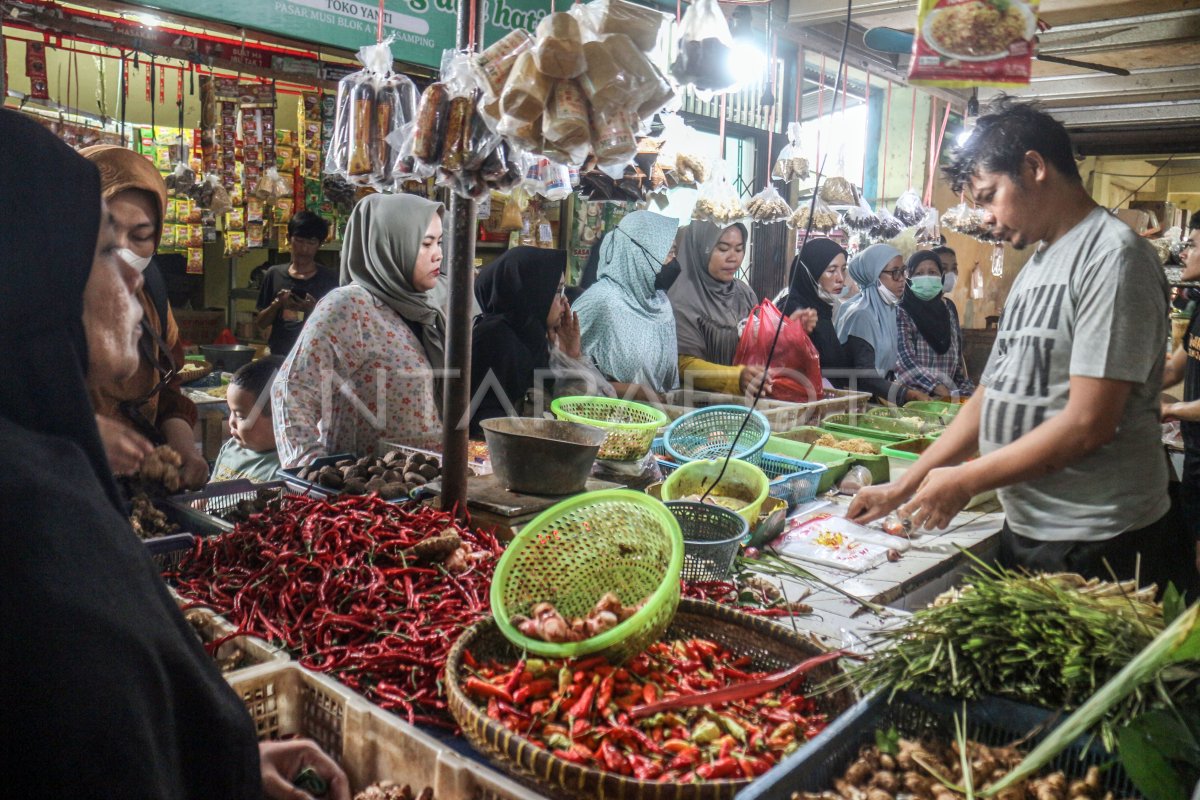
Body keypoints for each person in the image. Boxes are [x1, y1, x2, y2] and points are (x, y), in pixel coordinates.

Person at [0, 109, 348, 798]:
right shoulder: (37, 535)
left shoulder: (46, 491)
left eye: (141, 242)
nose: (134, 275)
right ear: (35, 274)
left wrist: (226, 764)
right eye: (102, 247)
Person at [849, 97, 1181, 591]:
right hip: (1031, 528)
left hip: (1101, 540)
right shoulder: (1038, 267)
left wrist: (968, 479)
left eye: (988, 197)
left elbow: (1089, 423)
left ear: (1034, 167)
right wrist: (902, 486)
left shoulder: (1113, 258)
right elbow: (989, 398)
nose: (985, 217)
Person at [273, 194, 444, 466]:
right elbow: (293, 390)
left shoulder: (425, 309)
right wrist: (312, 471)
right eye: (426, 244)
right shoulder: (351, 306)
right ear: (388, 245)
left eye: (439, 242)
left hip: (423, 483)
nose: (438, 254)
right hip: (365, 486)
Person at [80, 144, 207, 488]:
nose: (123, 252)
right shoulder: (38, 305)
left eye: (140, 236)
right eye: (105, 235)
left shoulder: (151, 297)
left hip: (137, 492)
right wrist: (83, 434)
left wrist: (183, 447)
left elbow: (167, 389)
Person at [469, 247, 611, 433]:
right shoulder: (495, 339)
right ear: (532, 291)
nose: (565, 302)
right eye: (557, 291)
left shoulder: (535, 340)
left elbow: (583, 412)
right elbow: (488, 425)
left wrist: (570, 357)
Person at [574, 210, 681, 400]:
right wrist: (632, 391)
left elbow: (668, 383)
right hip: (603, 414)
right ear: (638, 253)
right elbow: (562, 366)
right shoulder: (602, 299)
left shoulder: (661, 303)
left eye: (674, 251)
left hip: (654, 414)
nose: (673, 261)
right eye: (667, 252)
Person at [669, 221, 769, 396]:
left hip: (744, 402)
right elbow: (683, 364)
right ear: (701, 249)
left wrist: (788, 330)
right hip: (697, 404)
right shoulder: (682, 298)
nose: (733, 258)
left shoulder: (745, 293)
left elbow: (763, 339)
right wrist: (735, 377)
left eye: (739, 249)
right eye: (723, 249)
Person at [834, 243, 931, 405]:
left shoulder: (888, 310)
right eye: (894, 272)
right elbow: (865, 376)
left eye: (903, 271)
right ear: (874, 275)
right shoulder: (862, 315)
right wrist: (907, 394)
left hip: (874, 397)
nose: (902, 279)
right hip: (855, 404)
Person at [1162, 211, 1200, 579]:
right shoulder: (1199, 306)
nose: (1184, 253)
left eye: (1193, 245)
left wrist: (1167, 411)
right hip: (1195, 456)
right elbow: (1175, 368)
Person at [255, 212, 339, 356]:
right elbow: (261, 323)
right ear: (289, 238)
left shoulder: (330, 279)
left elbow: (337, 326)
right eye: (299, 241)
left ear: (319, 244)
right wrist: (277, 304)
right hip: (280, 354)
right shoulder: (274, 274)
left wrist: (313, 309)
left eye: (311, 243)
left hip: (315, 355)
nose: (304, 249)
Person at [895, 250, 974, 399]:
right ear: (909, 278)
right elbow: (906, 361)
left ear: (941, 276)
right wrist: (937, 387)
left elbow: (956, 363)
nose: (926, 278)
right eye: (919, 273)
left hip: (946, 401)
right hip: (915, 401)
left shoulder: (948, 310)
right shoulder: (901, 311)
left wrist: (966, 392)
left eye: (932, 272)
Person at [779, 238, 851, 388]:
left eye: (843, 269)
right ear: (810, 273)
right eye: (831, 271)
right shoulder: (796, 311)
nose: (840, 279)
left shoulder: (823, 309)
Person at [210, 356, 286, 483]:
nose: (231, 422)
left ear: (279, 418)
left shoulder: (286, 469)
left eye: (241, 416)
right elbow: (210, 490)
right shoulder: (230, 448)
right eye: (230, 412)